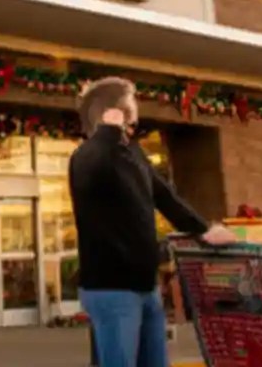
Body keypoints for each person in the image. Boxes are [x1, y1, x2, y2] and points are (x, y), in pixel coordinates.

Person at [69, 77, 236, 367]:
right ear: (114, 111)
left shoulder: (132, 153)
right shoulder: (89, 156)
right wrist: (107, 128)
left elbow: (165, 198)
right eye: (131, 102)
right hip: (111, 288)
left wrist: (204, 229)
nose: (137, 109)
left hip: (145, 284)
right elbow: (102, 160)